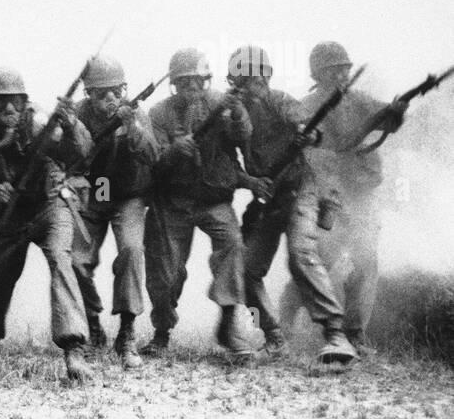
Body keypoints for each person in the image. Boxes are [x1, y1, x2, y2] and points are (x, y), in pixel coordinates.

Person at [0, 67, 93, 381]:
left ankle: (74, 350)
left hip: (50, 206)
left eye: (15, 102)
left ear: (25, 102)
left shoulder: (44, 121)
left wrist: (71, 122)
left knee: (62, 262)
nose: (8, 109)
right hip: (10, 214)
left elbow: (83, 152)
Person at [228, 46, 356, 365]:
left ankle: (335, 334)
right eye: (248, 80)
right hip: (267, 198)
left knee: (301, 255)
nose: (256, 86)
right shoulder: (230, 116)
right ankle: (272, 336)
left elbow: (307, 122)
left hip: (300, 188)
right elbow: (223, 161)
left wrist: (305, 133)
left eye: (260, 78)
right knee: (244, 270)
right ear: (237, 83)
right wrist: (248, 181)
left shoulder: (280, 100)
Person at [277, 40, 406, 349]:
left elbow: (389, 120)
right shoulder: (308, 106)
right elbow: (304, 148)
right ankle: (284, 319)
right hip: (329, 195)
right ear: (318, 74)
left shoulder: (359, 100)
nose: (341, 76)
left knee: (366, 261)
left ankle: (355, 335)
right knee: (321, 259)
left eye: (344, 70)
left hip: (361, 193)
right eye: (333, 70)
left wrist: (397, 113)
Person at [143, 48, 255, 358]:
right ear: (175, 85)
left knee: (233, 245)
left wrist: (237, 114)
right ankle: (161, 331)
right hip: (173, 201)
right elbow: (153, 162)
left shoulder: (221, 102)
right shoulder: (159, 114)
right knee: (166, 272)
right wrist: (174, 150)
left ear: (206, 82)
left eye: (198, 82)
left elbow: (242, 138)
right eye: (185, 83)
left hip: (212, 197)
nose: (192, 89)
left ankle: (230, 323)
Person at [72, 55, 160, 368]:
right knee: (76, 259)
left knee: (132, 251)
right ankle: (92, 324)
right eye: (100, 93)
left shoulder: (136, 113)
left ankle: (127, 332)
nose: (109, 99)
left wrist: (131, 125)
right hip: (95, 191)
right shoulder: (78, 115)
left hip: (128, 193)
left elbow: (153, 155)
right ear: (88, 94)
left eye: (115, 92)